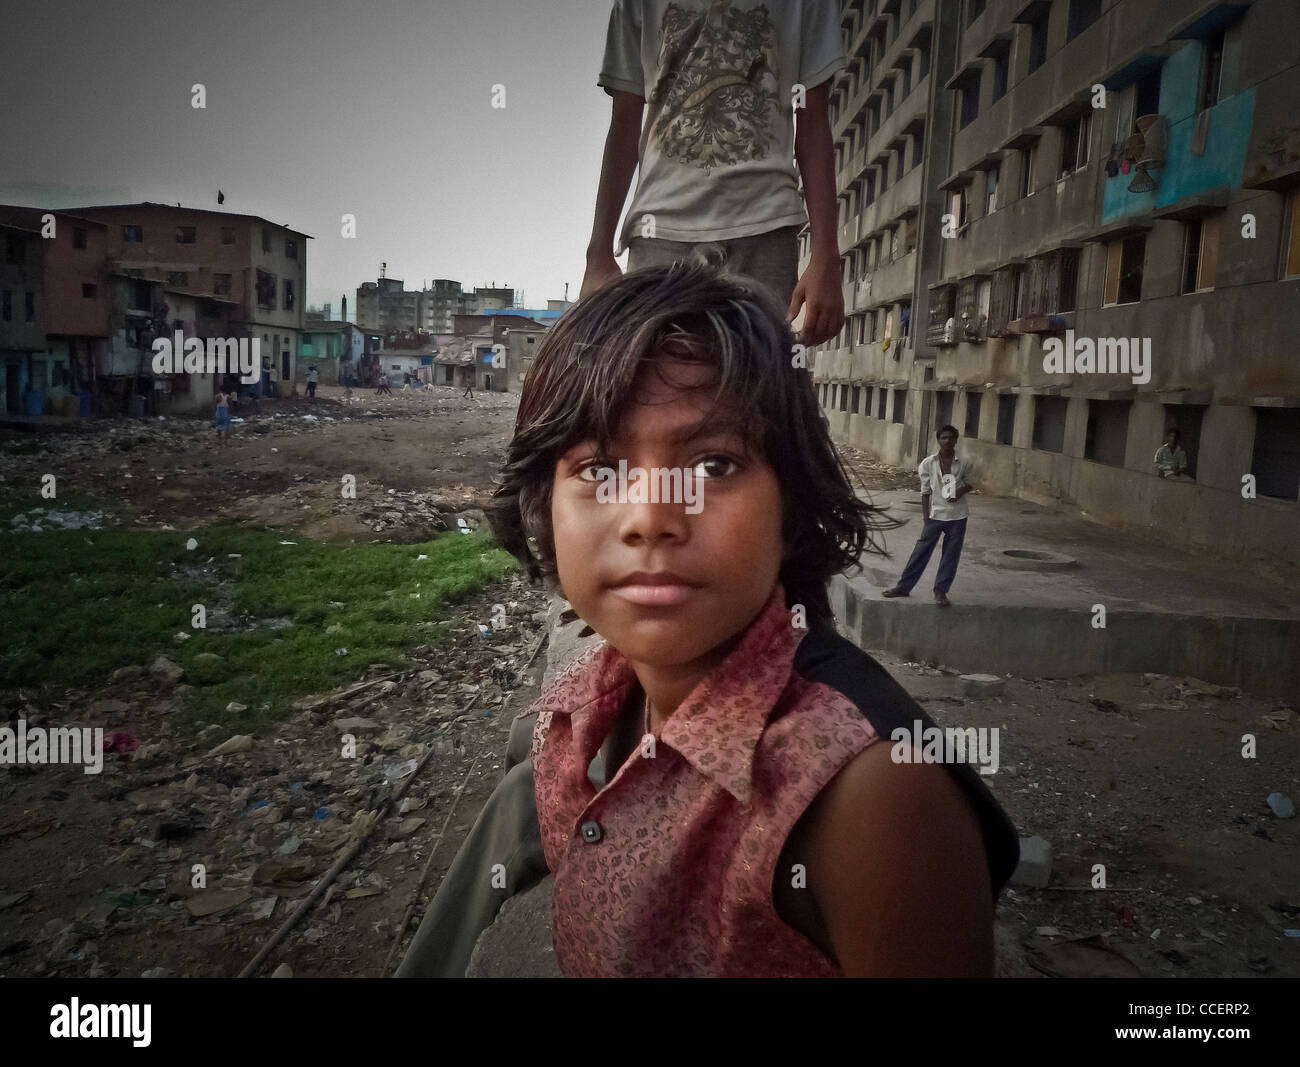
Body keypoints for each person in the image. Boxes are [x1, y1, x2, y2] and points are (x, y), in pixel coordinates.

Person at [396, 263, 1018, 978]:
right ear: (545, 508)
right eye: (601, 470)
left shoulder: (873, 797)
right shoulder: (589, 707)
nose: (651, 518)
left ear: (791, 507)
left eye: (714, 464)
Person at [579, 0, 846, 344]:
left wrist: (826, 257)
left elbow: (813, 123)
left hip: (764, 228)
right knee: (651, 385)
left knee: (754, 388)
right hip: (659, 232)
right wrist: (597, 253)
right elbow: (624, 126)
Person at [882, 426, 974, 608]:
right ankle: (903, 587)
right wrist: (926, 518)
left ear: (956, 440)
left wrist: (959, 491)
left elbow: (971, 483)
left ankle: (940, 591)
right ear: (938, 440)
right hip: (935, 515)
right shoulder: (928, 463)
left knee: (951, 554)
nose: (947, 441)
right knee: (921, 552)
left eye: (951, 438)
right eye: (944, 438)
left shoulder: (963, 464)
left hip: (958, 516)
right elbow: (925, 492)